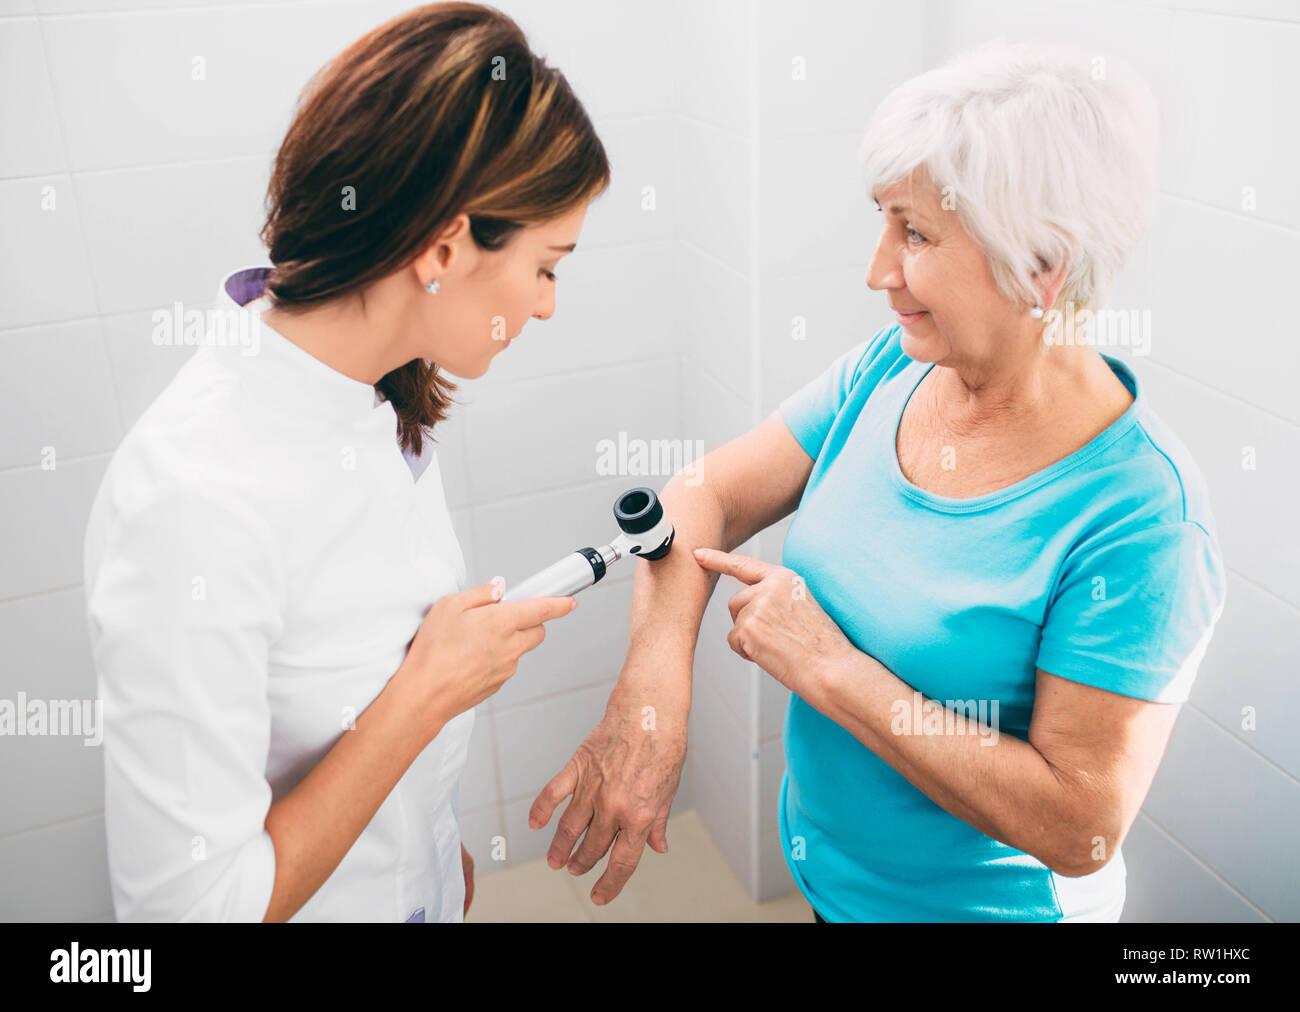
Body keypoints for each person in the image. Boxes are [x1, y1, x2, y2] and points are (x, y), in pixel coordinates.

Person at [530, 39, 1227, 921]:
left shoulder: (1141, 518)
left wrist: (833, 672)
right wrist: (655, 690)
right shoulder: (887, 371)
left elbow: (1081, 827)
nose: (876, 270)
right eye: (885, 222)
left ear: (1043, 265)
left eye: (916, 233)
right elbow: (702, 494)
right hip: (832, 888)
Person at [83, 2, 607, 922]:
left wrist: (433, 863)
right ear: (445, 248)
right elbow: (193, 915)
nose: (551, 304)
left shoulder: (376, 390)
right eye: (548, 264)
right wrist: (425, 693)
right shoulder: (192, 501)